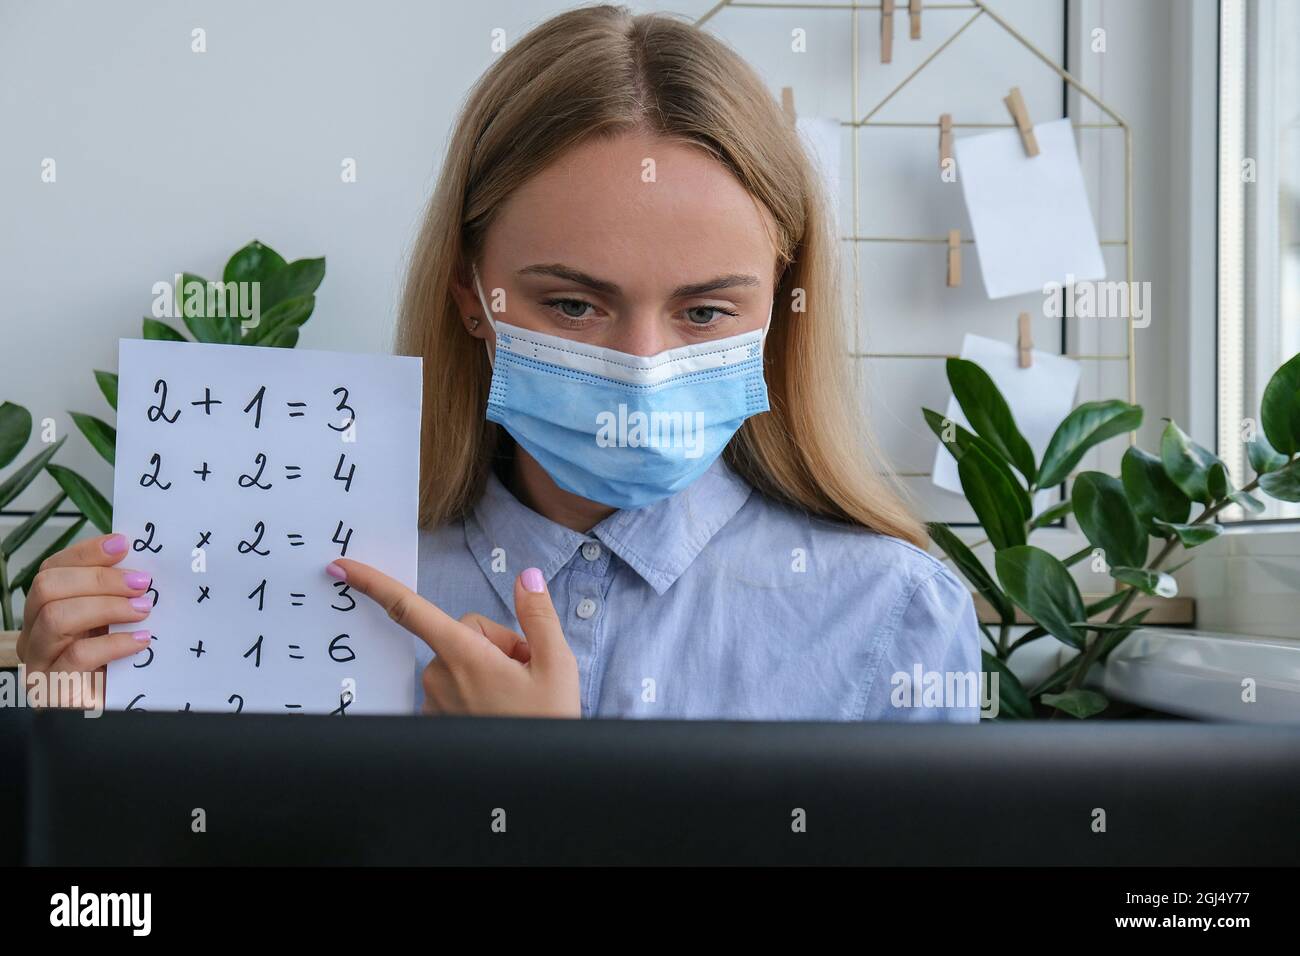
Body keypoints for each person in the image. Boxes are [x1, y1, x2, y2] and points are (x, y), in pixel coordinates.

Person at [17, 4, 981, 722]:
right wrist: (66, 750)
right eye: (572, 303)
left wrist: (532, 800)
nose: (642, 368)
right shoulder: (286, 586)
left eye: (704, 310)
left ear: (780, 308)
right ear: (468, 296)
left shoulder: (891, 618)